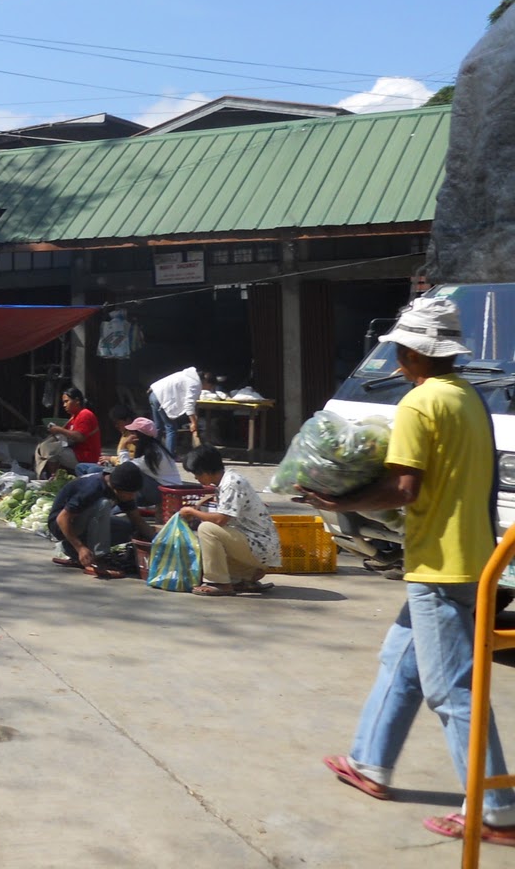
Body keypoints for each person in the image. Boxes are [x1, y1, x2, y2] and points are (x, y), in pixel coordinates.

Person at [302, 295, 515, 845]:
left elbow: (402, 487)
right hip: (468, 557)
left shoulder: (420, 405)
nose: (396, 356)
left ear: (413, 351)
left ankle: (495, 809)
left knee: (453, 691)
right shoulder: (468, 397)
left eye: (398, 347)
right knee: (400, 660)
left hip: (441, 568)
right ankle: (370, 762)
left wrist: (338, 503)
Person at [177, 443, 281, 597]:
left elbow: (220, 520)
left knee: (207, 529)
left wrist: (192, 511)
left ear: (205, 471)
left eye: (196, 474)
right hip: (255, 544)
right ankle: (246, 576)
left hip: (259, 545)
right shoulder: (227, 481)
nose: (196, 478)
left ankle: (219, 583)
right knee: (200, 566)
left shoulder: (231, 483)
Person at [47, 462, 154, 579]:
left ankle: (71, 549)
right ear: (117, 488)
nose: (132, 497)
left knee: (129, 529)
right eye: (130, 494)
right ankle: (99, 559)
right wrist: (80, 547)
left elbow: (137, 520)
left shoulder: (122, 490)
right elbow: (62, 518)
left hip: (82, 522)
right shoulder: (93, 488)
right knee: (103, 504)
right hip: (62, 526)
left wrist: (157, 539)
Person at [147, 366, 215, 452]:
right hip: (160, 398)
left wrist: (194, 419)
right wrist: (194, 423)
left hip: (153, 394)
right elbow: (189, 405)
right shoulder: (195, 383)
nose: (209, 389)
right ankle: (169, 456)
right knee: (171, 428)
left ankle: (152, 452)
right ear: (207, 382)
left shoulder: (188, 375)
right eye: (211, 386)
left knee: (158, 427)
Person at [121, 415, 183, 506]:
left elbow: (124, 469)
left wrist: (123, 447)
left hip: (166, 494)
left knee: (131, 474)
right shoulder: (157, 448)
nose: (129, 436)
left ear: (139, 436)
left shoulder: (151, 456)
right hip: (169, 491)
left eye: (132, 433)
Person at [38, 386, 101, 476]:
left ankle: (53, 477)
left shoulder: (85, 414)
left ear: (77, 401)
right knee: (46, 447)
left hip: (86, 457)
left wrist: (59, 429)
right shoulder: (74, 416)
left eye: (66, 401)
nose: (64, 405)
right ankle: (54, 476)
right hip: (76, 453)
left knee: (52, 450)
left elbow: (80, 437)